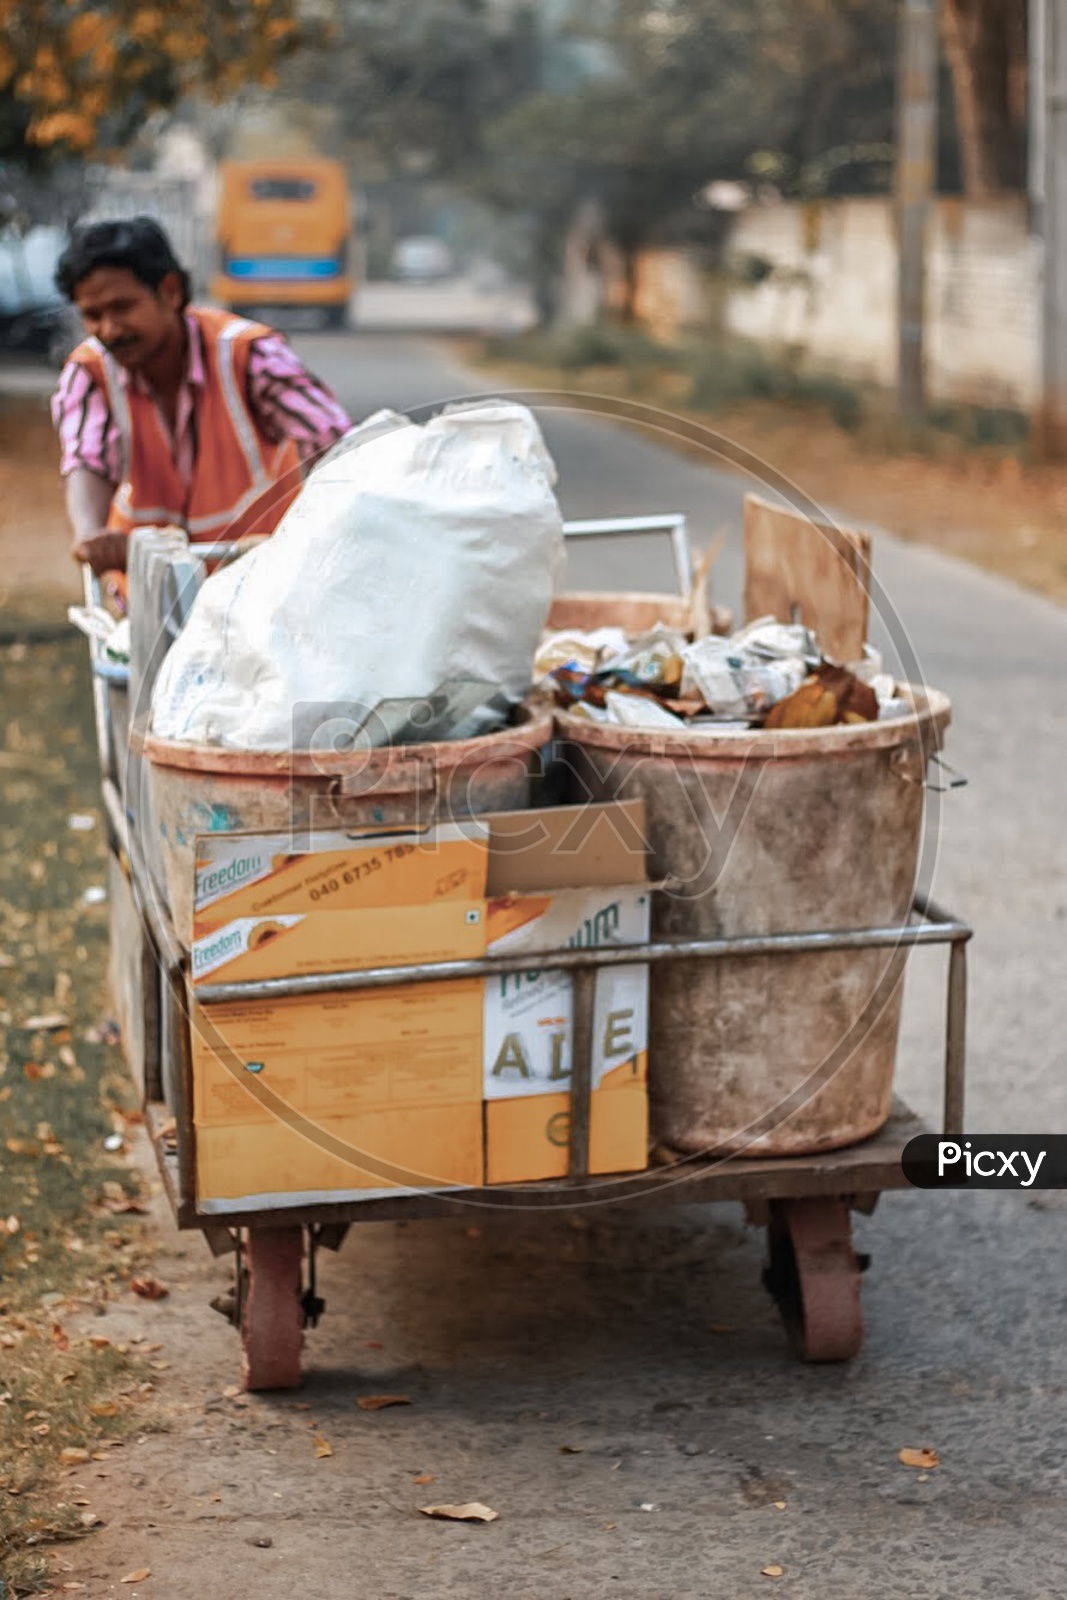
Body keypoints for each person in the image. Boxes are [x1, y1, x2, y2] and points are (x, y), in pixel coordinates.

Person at [51, 215, 353, 583]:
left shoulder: (249, 355)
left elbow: (335, 444)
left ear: (171, 291)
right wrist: (91, 534)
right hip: (150, 600)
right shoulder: (89, 373)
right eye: (92, 315)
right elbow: (87, 458)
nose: (109, 329)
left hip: (260, 587)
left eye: (123, 307)